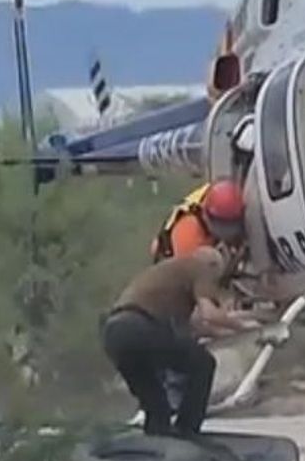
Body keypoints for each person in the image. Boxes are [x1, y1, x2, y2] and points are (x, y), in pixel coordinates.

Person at [100, 246, 259, 436]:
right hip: (140, 326)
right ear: (213, 265)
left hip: (114, 334)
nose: (214, 286)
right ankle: (187, 431)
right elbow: (210, 315)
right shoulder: (202, 267)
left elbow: (195, 328)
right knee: (203, 364)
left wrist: (232, 335)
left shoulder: (169, 276)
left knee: (157, 406)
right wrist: (248, 328)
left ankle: (159, 444)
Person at [150, 178, 247, 262]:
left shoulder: (215, 192)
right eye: (227, 227)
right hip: (173, 261)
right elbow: (192, 279)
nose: (233, 231)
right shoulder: (189, 240)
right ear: (209, 219)